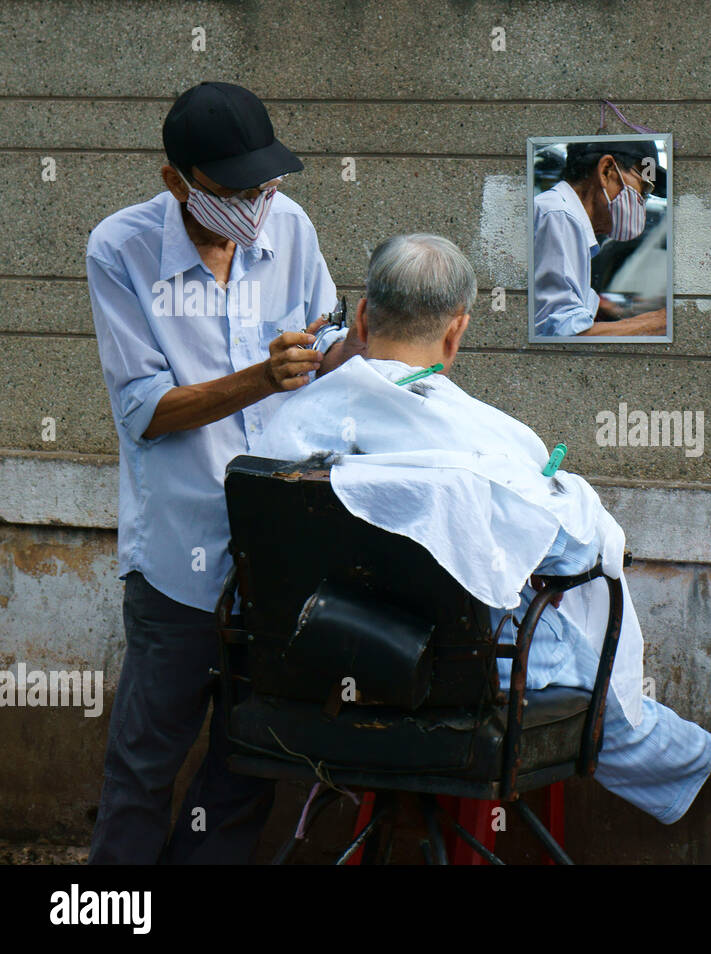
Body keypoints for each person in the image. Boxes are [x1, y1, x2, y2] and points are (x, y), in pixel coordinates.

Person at [253, 234, 711, 823]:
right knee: (587, 668)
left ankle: (708, 754)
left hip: (314, 673)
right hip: (454, 680)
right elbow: (578, 549)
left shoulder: (285, 429)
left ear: (359, 315)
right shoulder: (479, 443)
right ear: (456, 332)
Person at [86, 81, 363, 864]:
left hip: (279, 556)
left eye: (266, 186)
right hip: (178, 559)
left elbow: (323, 356)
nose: (256, 204)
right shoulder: (121, 250)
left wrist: (356, 347)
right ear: (178, 180)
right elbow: (145, 409)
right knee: (143, 765)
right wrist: (258, 378)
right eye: (235, 190)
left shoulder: (294, 229)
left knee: (248, 767)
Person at [532, 140, 669, 337]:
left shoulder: (565, 217)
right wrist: (658, 323)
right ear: (606, 171)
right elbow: (562, 336)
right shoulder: (560, 216)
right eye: (643, 191)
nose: (642, 205)